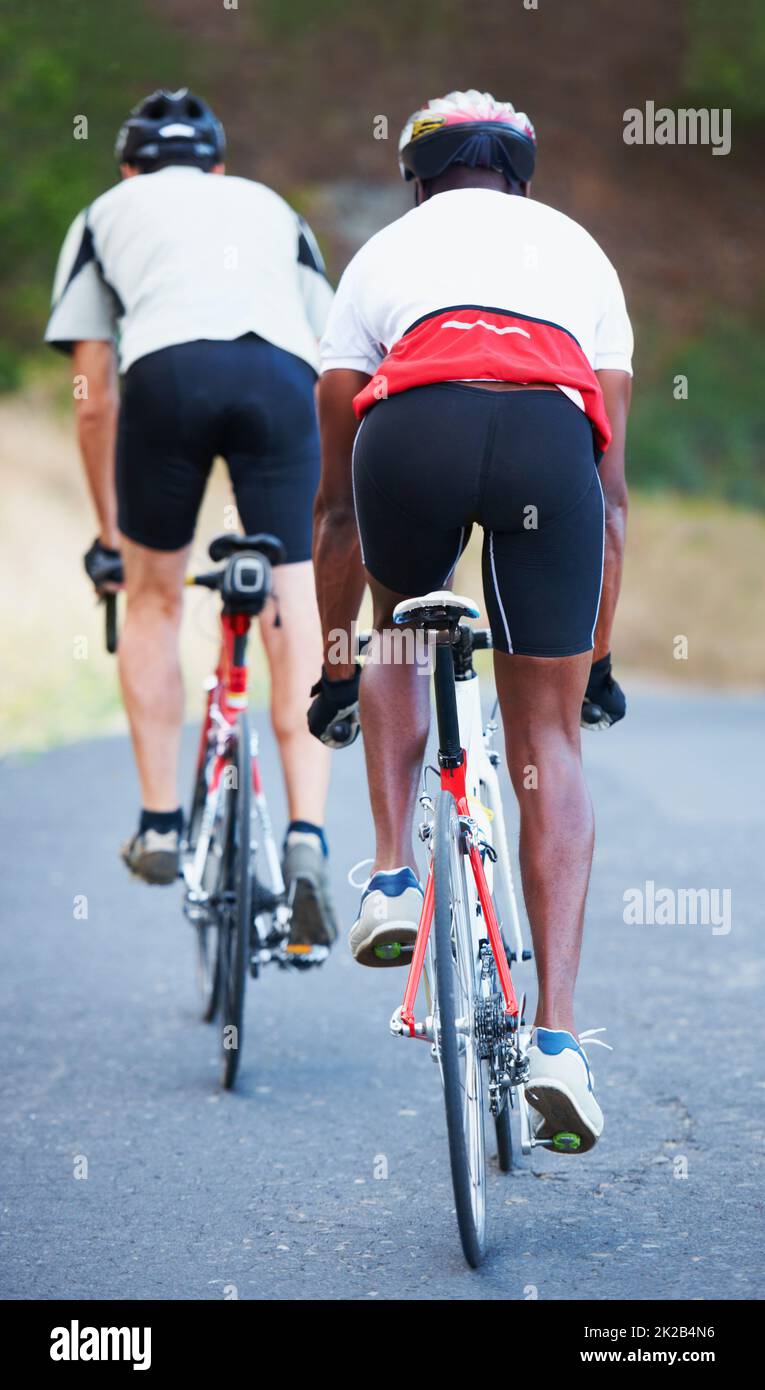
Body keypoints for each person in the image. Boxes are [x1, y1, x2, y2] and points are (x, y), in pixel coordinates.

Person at [309, 90, 632, 1150]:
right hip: (548, 436)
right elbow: (612, 492)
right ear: (519, 175)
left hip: (413, 434)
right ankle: (558, 1041)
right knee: (549, 737)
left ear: (417, 176)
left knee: (404, 625)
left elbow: (334, 510)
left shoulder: (380, 257)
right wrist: (597, 659)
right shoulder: (580, 253)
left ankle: (394, 876)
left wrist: (334, 668)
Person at [45, 88, 337, 946]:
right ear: (217, 166)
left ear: (129, 166)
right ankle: (307, 835)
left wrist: (111, 537)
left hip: (167, 380)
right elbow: (331, 359)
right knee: (292, 606)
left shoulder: (105, 212)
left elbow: (93, 396)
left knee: (154, 599)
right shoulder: (271, 208)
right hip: (283, 385)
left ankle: (163, 824)